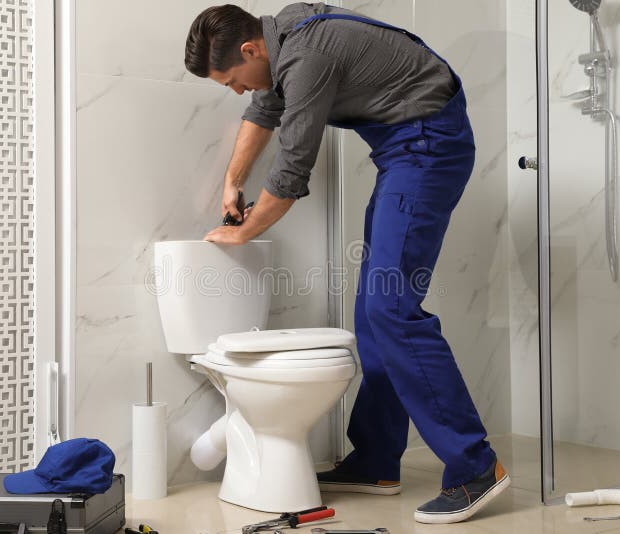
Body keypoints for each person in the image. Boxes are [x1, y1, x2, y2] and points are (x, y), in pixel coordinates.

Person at [185, 2, 510, 524]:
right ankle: (377, 461)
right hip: (406, 150)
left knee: (392, 310)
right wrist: (232, 183)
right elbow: (266, 109)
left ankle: (476, 465)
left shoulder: (306, 56)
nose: (238, 90)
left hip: (428, 147)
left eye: (232, 80)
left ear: (250, 50)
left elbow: (293, 167)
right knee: (373, 313)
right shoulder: (283, 36)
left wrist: (244, 229)